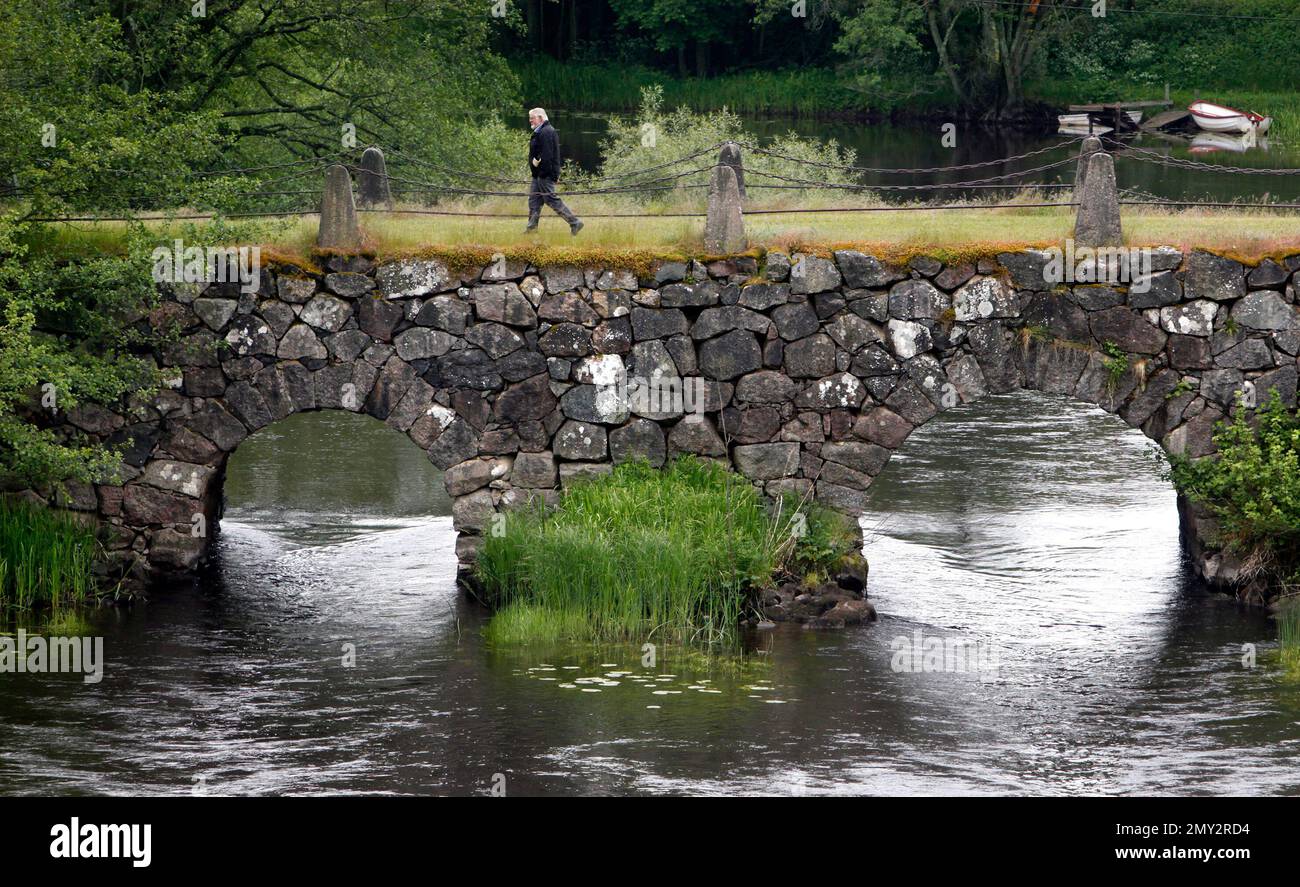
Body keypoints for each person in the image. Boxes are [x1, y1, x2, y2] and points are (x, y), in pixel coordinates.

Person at [526, 108, 582, 235]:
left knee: (551, 199)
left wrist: (543, 174)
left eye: (532, 118)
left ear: (540, 118)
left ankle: (575, 222)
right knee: (534, 200)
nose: (530, 120)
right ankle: (531, 229)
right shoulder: (540, 131)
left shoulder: (546, 132)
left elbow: (548, 156)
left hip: (544, 175)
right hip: (538, 175)